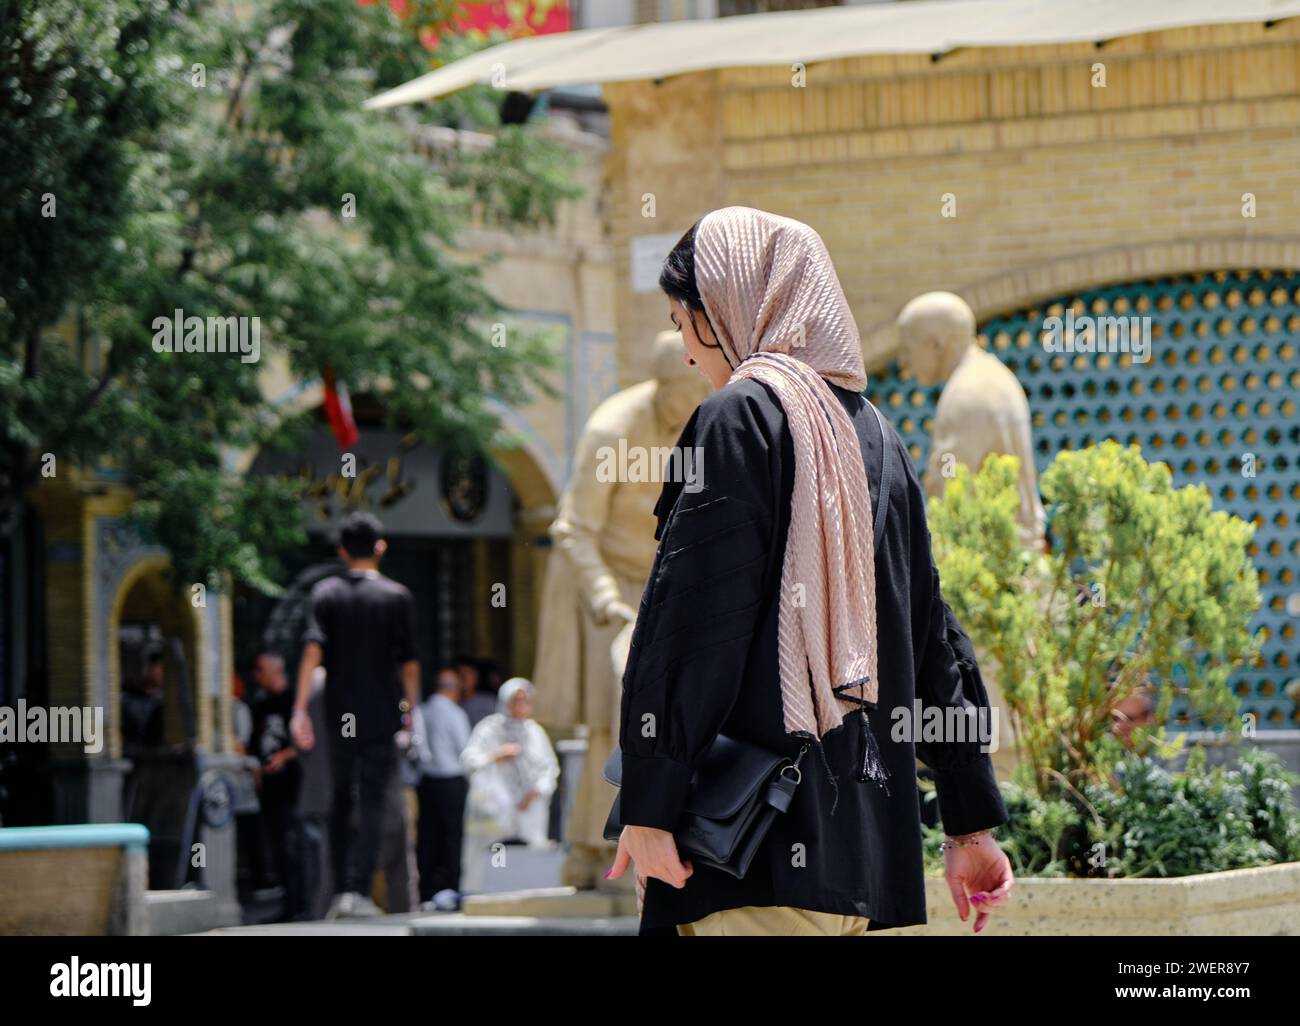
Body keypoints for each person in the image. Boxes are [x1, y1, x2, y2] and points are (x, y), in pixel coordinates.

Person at [606, 207, 1014, 936]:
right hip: (858, 861)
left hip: (747, 857)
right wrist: (968, 820)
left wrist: (650, 803)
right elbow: (929, 636)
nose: (689, 354)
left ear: (730, 307)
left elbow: (691, 625)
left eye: (685, 323)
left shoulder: (738, 419)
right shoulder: (877, 436)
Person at [291, 512, 420, 921]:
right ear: (380, 547)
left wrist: (299, 710)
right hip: (382, 715)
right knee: (373, 801)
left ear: (342, 551)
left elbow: (312, 651)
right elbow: (410, 664)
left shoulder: (326, 593)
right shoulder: (396, 596)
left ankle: (339, 891)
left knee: (340, 797)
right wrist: (410, 712)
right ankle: (359, 892)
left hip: (339, 714)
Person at [460, 677, 559, 893]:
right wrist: (496, 755)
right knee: (497, 856)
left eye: (525, 701)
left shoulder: (534, 732)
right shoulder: (489, 729)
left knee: (525, 860)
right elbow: (469, 761)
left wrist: (535, 792)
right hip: (495, 812)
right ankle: (492, 894)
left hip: (528, 811)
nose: (520, 706)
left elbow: (549, 769)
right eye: (515, 701)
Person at [249, 651, 305, 920]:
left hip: (292, 787)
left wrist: (285, 756)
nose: (256, 675)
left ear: (276, 670)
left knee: (294, 845)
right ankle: (288, 903)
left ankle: (301, 903)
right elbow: (254, 742)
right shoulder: (261, 704)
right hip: (268, 788)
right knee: (278, 846)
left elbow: (307, 741)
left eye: (261, 669)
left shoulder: (294, 701)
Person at [415, 666, 471, 910]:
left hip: (427, 781)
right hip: (451, 781)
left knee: (427, 837)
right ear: (453, 689)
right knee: (453, 838)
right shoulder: (455, 714)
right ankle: (451, 888)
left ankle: (425, 889)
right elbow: (465, 751)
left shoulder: (422, 711)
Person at [455, 655, 496, 728]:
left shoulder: (488, 702)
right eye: (460, 673)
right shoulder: (451, 703)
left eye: (469, 673)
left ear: (477, 677)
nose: (464, 677)